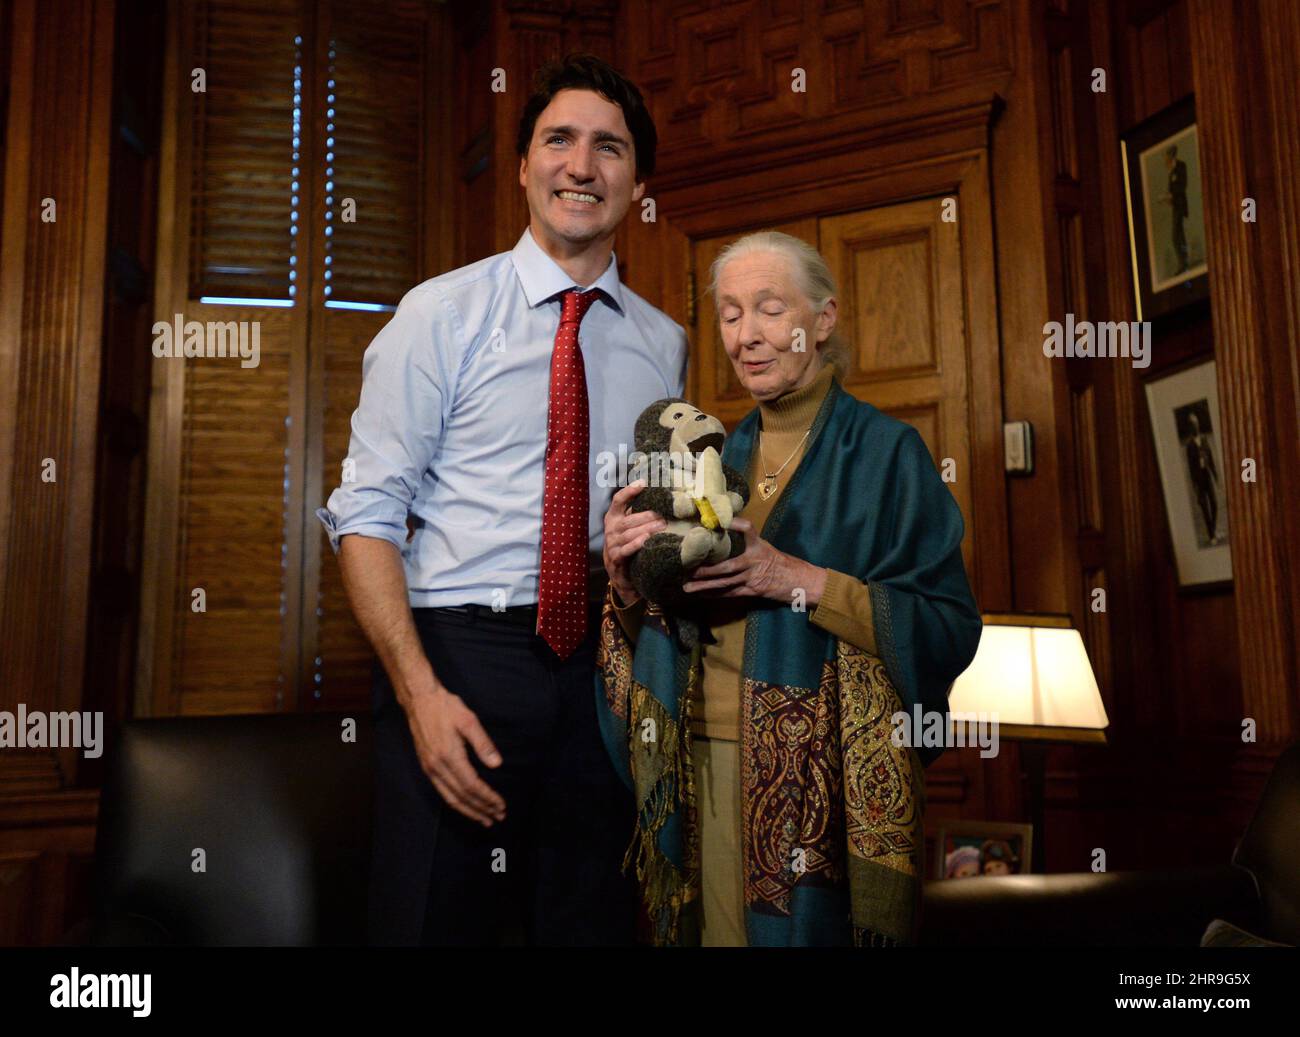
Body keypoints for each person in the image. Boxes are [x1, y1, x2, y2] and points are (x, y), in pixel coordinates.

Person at [317, 54, 687, 946]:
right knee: (440, 921)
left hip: (601, 665)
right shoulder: (438, 316)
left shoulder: (662, 342)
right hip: (458, 662)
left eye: (609, 147)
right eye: (558, 139)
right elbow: (365, 517)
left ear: (636, 182)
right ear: (523, 166)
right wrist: (419, 695)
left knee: (588, 921)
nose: (581, 164)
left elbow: (651, 517)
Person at [596, 231, 982, 946]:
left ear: (824, 319)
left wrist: (795, 578)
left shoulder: (887, 454)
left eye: (771, 309)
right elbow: (666, 619)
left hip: (824, 789)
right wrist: (625, 581)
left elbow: (946, 624)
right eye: (732, 314)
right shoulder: (712, 454)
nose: (747, 336)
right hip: (701, 763)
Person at [1184, 411, 1220, 544]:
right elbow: (1190, 467)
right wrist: (1195, 486)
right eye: (1193, 424)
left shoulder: (1205, 439)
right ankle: (1212, 536)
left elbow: (1210, 458)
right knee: (1205, 508)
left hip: (1207, 475)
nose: (1195, 426)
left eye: (1197, 423)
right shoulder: (1189, 446)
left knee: (1215, 504)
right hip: (1199, 480)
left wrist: (1215, 475)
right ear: (1190, 427)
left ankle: (1213, 530)